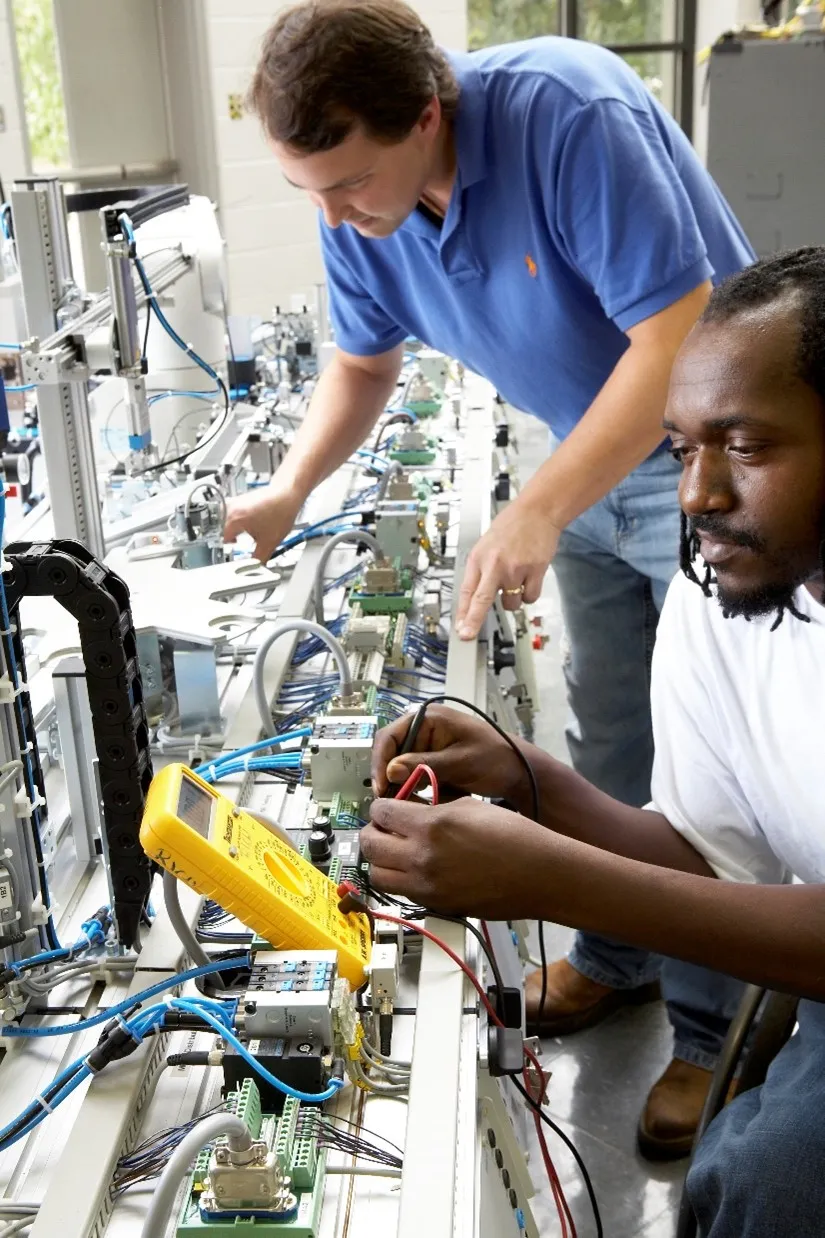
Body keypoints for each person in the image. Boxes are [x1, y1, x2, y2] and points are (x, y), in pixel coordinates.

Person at [229, 0, 755, 1151]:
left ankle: (715, 1041)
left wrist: (537, 506)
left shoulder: (567, 115)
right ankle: (617, 959)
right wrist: (291, 490)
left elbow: (673, 336)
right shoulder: (356, 203)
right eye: (306, 193)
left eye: (349, 185)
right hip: (589, 461)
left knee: (709, 760)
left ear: (429, 114)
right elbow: (364, 368)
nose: (335, 217)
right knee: (613, 733)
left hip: (713, 470)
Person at [361, 247, 825, 1232]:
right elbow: (714, 854)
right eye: (680, 447)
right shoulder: (727, 591)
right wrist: (534, 784)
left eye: (742, 446)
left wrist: (559, 882)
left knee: (762, 1192)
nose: (696, 494)